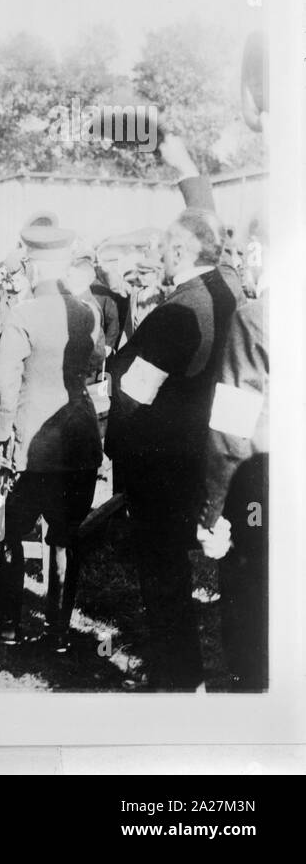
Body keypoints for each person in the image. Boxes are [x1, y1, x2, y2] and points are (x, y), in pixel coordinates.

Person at [106, 208, 239, 691]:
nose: (156, 256)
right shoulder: (227, 293)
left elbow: (135, 392)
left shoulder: (179, 309)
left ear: (180, 250)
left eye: (161, 248)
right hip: (202, 456)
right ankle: (184, 675)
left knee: (163, 578)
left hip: (161, 466)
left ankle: (176, 679)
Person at [0, 229, 105, 649]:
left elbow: (2, 384)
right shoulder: (87, 312)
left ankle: (7, 627)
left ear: (32, 265)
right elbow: (95, 363)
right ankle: (58, 631)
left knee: (11, 531)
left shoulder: (23, 313)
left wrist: (2, 433)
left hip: (33, 446)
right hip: (81, 440)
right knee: (65, 535)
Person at [198, 265, 267, 690]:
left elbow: (231, 428)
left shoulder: (257, 317)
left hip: (262, 489)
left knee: (251, 586)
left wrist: (213, 513)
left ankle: (250, 691)